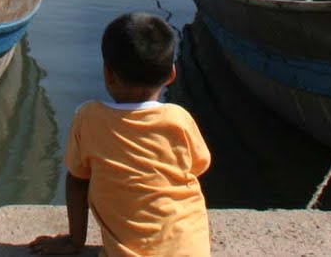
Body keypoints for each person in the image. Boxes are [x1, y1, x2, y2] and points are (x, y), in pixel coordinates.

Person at [30, 13, 211, 256]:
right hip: (193, 251)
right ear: (171, 75)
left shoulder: (88, 118)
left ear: (108, 74)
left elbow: (77, 179)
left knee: (79, 176)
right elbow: (198, 166)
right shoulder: (179, 119)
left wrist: (74, 241)